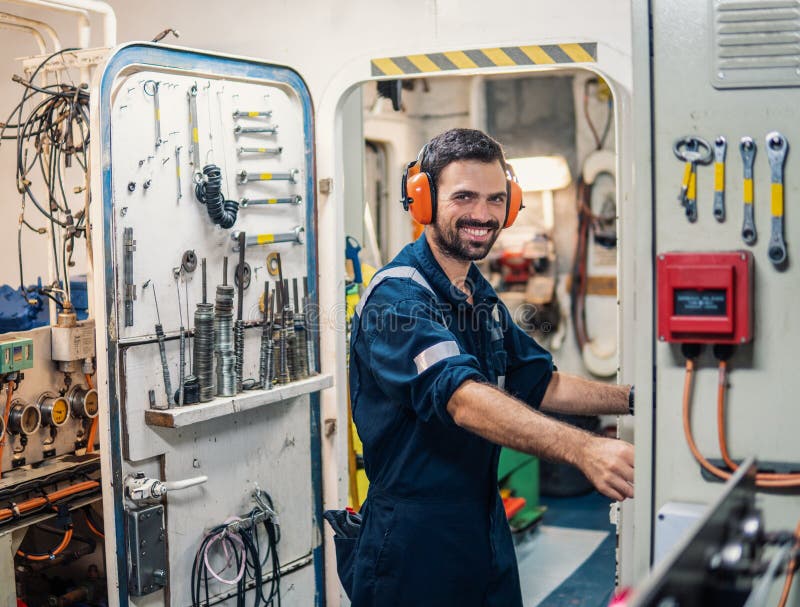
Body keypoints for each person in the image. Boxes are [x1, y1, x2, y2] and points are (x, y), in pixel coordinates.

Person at [347, 128, 634, 607]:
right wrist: (584, 448)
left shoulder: (477, 293)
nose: (482, 214)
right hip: (414, 539)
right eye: (464, 197)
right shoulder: (397, 298)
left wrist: (634, 399)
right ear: (423, 201)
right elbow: (461, 398)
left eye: (496, 198)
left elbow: (541, 381)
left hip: (483, 525)